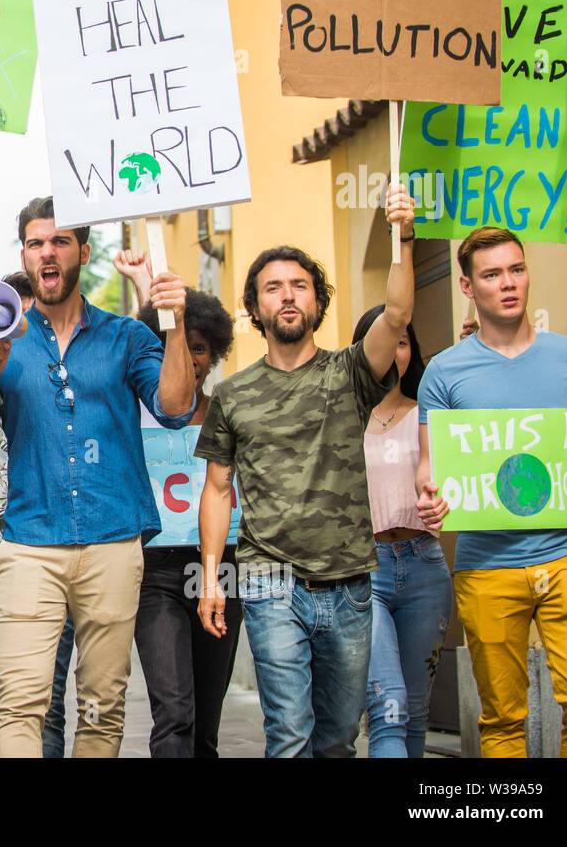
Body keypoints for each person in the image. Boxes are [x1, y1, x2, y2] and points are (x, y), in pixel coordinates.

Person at [0, 196, 195, 757]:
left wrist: (175, 322)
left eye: (60, 241)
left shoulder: (126, 337)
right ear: (24, 256)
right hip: (30, 544)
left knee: (102, 708)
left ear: (83, 253)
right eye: (35, 243)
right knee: (18, 704)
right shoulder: (1, 342)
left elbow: (176, 408)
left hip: (113, 541)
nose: (47, 252)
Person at [195, 186, 416, 758]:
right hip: (269, 578)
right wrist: (213, 578)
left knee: (338, 739)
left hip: (349, 581)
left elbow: (397, 314)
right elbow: (217, 490)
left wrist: (403, 236)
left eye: (300, 285)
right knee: (288, 735)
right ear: (256, 308)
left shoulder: (352, 373)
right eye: (273, 287)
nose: (288, 295)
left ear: (318, 301)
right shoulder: (233, 394)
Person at [416, 226, 567, 758]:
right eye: (492, 274)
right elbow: (429, 467)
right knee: (502, 717)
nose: (509, 283)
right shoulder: (444, 372)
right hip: (487, 566)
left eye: (516, 269)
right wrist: (430, 498)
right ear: (467, 287)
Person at [116, 250, 242, 757]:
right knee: (174, 713)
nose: (190, 357)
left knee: (206, 721)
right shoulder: (139, 408)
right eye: (181, 344)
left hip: (221, 567)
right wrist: (144, 283)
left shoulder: (228, 413)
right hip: (154, 569)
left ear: (216, 353)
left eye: (201, 348)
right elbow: (136, 339)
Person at [0, 270, 77, 759]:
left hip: (45, 555)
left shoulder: (60, 373)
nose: (18, 327)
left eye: (29, 318)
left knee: (46, 708)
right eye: (9, 316)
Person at [348, 305, 453, 758]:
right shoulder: (342, 417)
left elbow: (463, 477)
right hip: (364, 570)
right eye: (384, 338)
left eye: (403, 341)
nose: (393, 349)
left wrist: (446, 503)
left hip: (425, 566)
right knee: (387, 706)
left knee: (415, 711)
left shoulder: (431, 416)